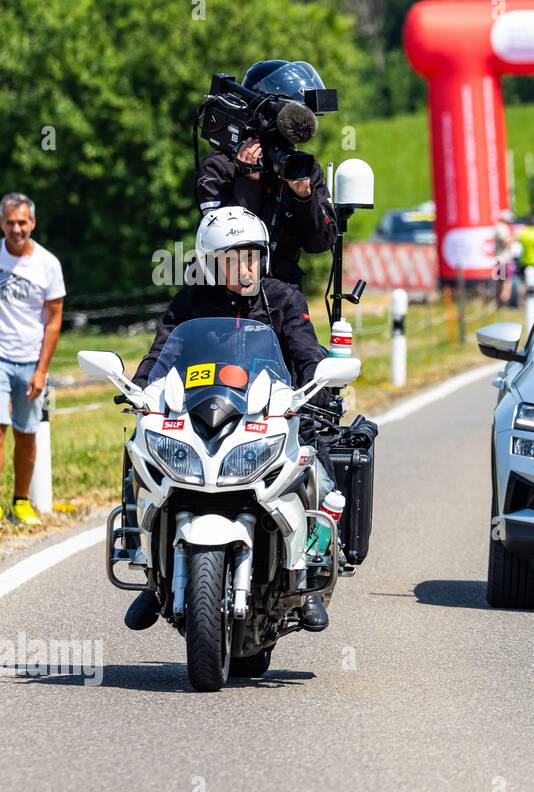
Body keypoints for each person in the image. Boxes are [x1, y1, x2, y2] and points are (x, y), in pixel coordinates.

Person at [123, 206, 336, 633]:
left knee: (321, 473)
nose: (246, 266)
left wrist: (321, 386)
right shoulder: (191, 302)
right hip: (200, 414)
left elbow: (308, 353)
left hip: (270, 414)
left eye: (253, 255)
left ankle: (308, 576)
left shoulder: (282, 298)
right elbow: (161, 354)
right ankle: (149, 568)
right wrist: (139, 390)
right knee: (137, 450)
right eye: (234, 257)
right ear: (210, 262)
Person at [194, 60, 338, 287]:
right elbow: (221, 241)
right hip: (227, 293)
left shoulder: (303, 169)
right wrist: (248, 180)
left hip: (283, 294)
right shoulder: (218, 167)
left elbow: (319, 243)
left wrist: (304, 197)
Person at [0, 193, 65, 527]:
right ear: (2, 223)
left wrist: (41, 369)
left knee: (26, 434)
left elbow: (54, 321)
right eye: (10, 222)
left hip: (30, 360)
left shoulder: (48, 264)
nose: (16, 228)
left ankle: (20, 501)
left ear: (32, 223)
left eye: (22, 222)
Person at [515, 215, 534, 308]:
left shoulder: (522, 233)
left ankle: (520, 304)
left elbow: (517, 247)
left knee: (522, 284)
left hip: (524, 261)